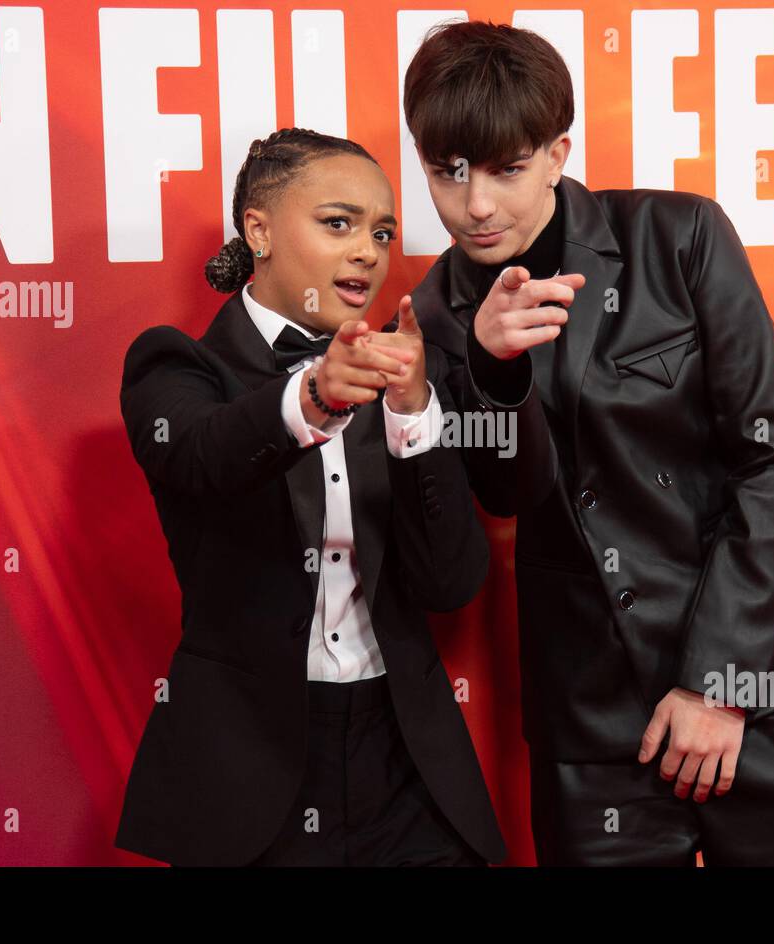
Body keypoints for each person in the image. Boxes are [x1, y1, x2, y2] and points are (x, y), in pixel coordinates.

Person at [403, 20, 774, 865]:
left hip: (760, 689)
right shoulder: (437, 313)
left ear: (557, 152)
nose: (476, 205)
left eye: (509, 168)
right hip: (593, 726)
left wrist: (715, 685)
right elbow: (504, 497)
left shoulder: (679, 237)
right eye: (448, 171)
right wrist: (492, 366)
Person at [114, 127, 505, 866]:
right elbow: (203, 453)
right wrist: (314, 399)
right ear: (257, 230)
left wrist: (413, 417)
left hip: (407, 766)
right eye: (338, 223)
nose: (368, 250)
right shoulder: (176, 367)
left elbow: (452, 583)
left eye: (382, 231)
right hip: (250, 775)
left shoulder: (405, 378)